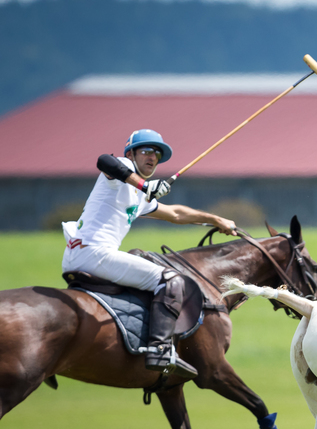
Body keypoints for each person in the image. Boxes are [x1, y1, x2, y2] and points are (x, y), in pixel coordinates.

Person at [61, 129, 237, 378]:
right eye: (146, 151)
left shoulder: (140, 195)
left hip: (81, 256)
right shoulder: (121, 170)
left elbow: (175, 214)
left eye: (157, 153)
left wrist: (215, 219)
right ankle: (159, 349)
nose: (152, 157)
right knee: (172, 280)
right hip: (94, 253)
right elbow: (104, 160)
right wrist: (146, 185)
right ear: (131, 154)